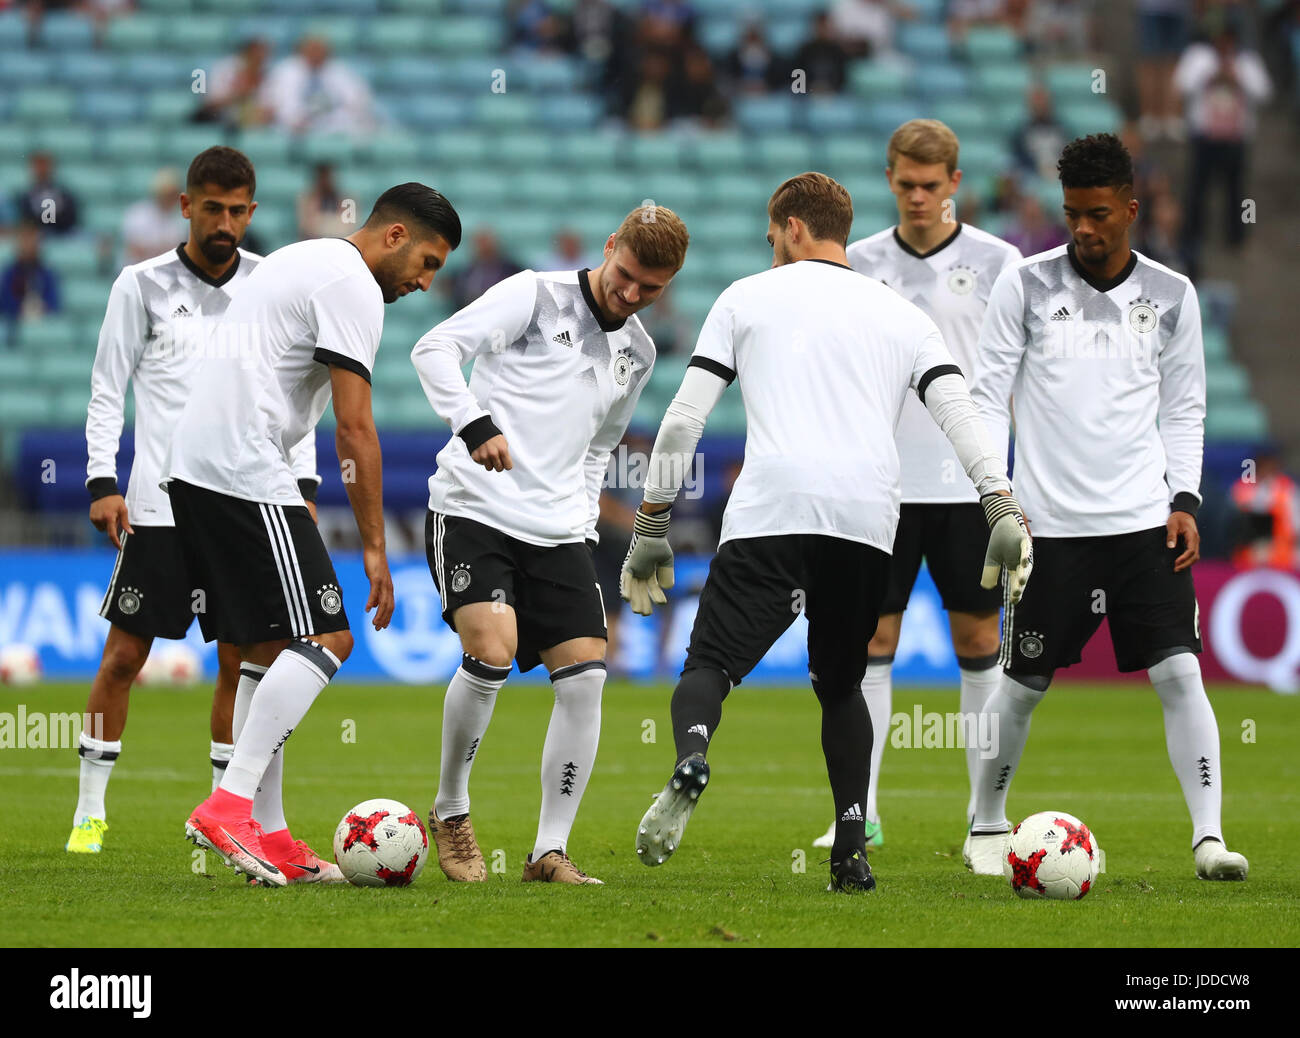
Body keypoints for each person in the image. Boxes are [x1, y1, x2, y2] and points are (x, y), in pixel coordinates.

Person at [622, 173, 1031, 893]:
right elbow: (957, 409)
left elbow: (685, 420)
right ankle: (850, 845)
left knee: (708, 667)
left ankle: (692, 756)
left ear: (792, 227)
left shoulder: (745, 297)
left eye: (771, 232)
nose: (769, 244)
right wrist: (997, 501)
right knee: (841, 686)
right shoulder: (899, 313)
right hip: (865, 517)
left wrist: (651, 522)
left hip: (770, 510)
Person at [966, 133, 1249, 882]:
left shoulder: (1172, 295)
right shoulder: (1022, 287)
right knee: (1021, 688)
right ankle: (987, 825)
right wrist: (997, 499)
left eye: (1098, 214)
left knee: (1181, 676)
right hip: (1048, 530)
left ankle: (1209, 840)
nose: (1083, 229)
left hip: (1142, 526)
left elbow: (1186, 407)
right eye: (1071, 214)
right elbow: (987, 398)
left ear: (1130, 209)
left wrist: (1184, 498)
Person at [166, 183, 461, 886]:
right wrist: (376, 546)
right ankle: (229, 806)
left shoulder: (305, 261)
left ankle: (269, 834)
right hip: (241, 466)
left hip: (200, 464)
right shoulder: (351, 285)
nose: (423, 283)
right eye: (426, 262)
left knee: (266, 646)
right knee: (329, 638)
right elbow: (354, 426)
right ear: (393, 236)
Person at [411, 206, 689, 885]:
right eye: (625, 275)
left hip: (558, 530)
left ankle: (548, 852)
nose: (631, 295)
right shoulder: (533, 294)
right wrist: (473, 422)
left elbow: (600, 447)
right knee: (492, 648)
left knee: (588, 676)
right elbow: (434, 348)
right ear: (609, 246)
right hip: (474, 508)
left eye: (650, 289)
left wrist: (582, 519)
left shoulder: (641, 353)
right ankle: (451, 809)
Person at [71, 147, 309, 854]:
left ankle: (221, 821)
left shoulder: (271, 284)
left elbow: (293, 395)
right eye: (213, 208)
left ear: (253, 212)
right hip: (158, 505)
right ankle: (90, 811)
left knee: (241, 665)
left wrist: (303, 484)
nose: (225, 222)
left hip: (242, 504)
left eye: (238, 210)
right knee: (123, 659)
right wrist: (101, 481)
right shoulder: (138, 285)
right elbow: (107, 387)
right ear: (186, 206)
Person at [808, 120, 1023, 853]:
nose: (918, 197)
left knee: (978, 637)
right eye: (905, 184)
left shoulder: (1001, 264)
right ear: (889, 177)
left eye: (932, 185)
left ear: (956, 183)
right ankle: (861, 810)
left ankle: (984, 817)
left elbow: (1009, 376)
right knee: (874, 637)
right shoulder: (858, 263)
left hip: (967, 484)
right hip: (882, 483)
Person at [260, 35, 378, 136]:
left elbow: (358, 100)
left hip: (333, 128)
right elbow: (270, 101)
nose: (316, 53)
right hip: (292, 129)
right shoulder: (285, 71)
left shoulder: (340, 72)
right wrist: (292, 119)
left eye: (320, 50)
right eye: (312, 49)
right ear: (302, 50)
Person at [122, 168, 188, 266]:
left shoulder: (181, 219)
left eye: (173, 194)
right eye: (168, 194)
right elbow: (135, 250)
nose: (171, 198)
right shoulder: (138, 214)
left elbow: (182, 252)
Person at [13, 151, 80, 235]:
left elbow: (71, 217)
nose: (42, 170)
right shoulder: (24, 196)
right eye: (38, 166)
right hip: (35, 236)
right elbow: (24, 219)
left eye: (45, 165)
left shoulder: (65, 195)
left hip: (63, 235)